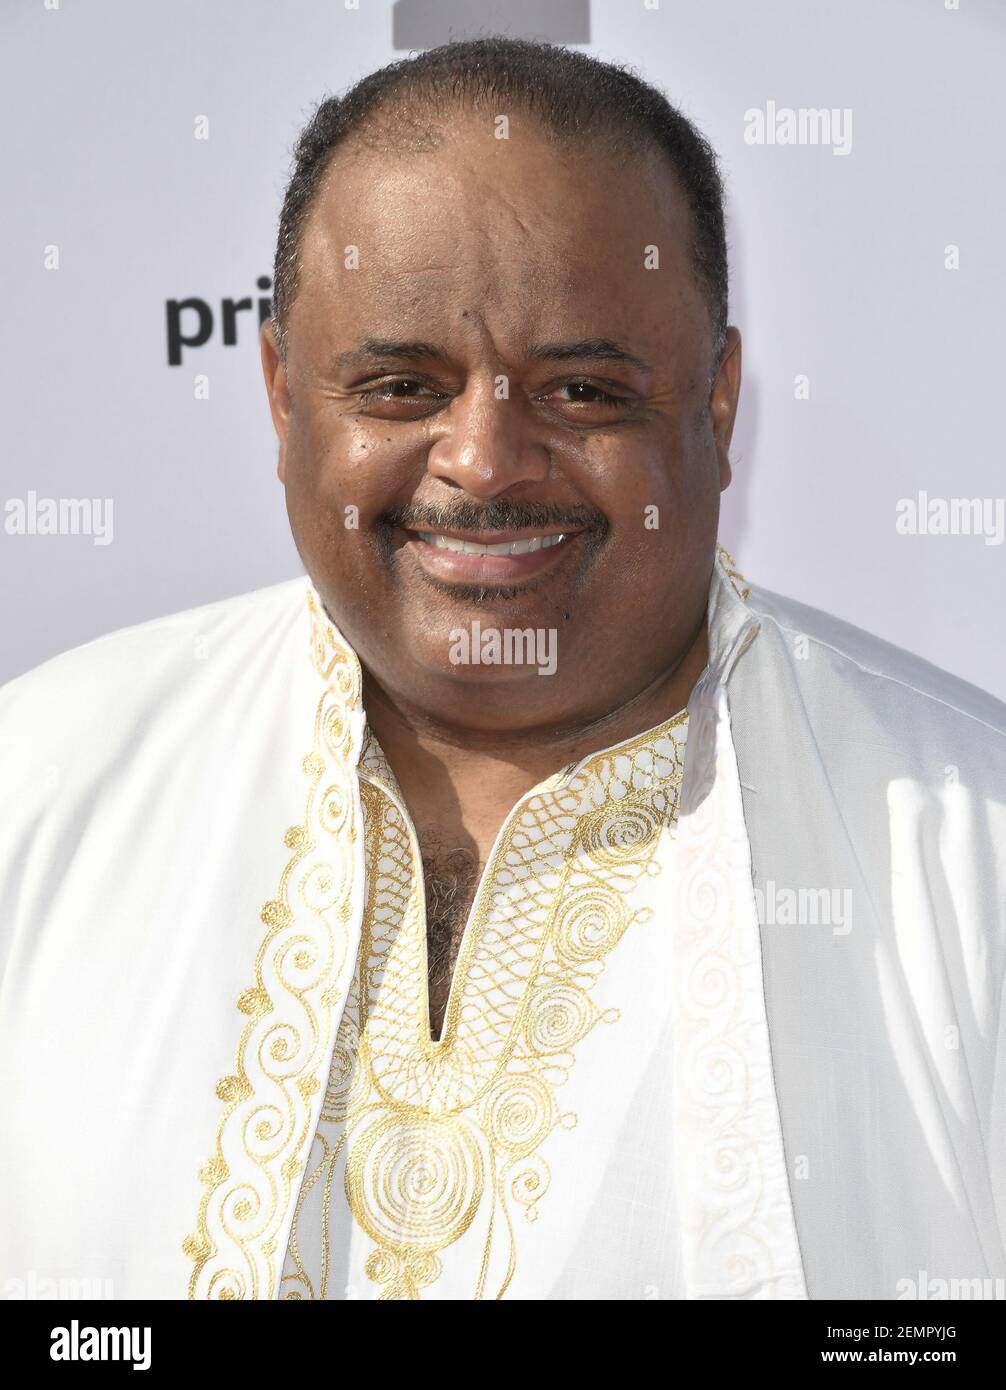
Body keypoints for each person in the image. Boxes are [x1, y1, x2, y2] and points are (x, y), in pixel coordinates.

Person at [1, 37, 1003, 1302]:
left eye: (580, 389)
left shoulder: (969, 855)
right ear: (278, 397)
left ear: (716, 405)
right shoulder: (35, 795)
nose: (482, 460)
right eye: (401, 383)